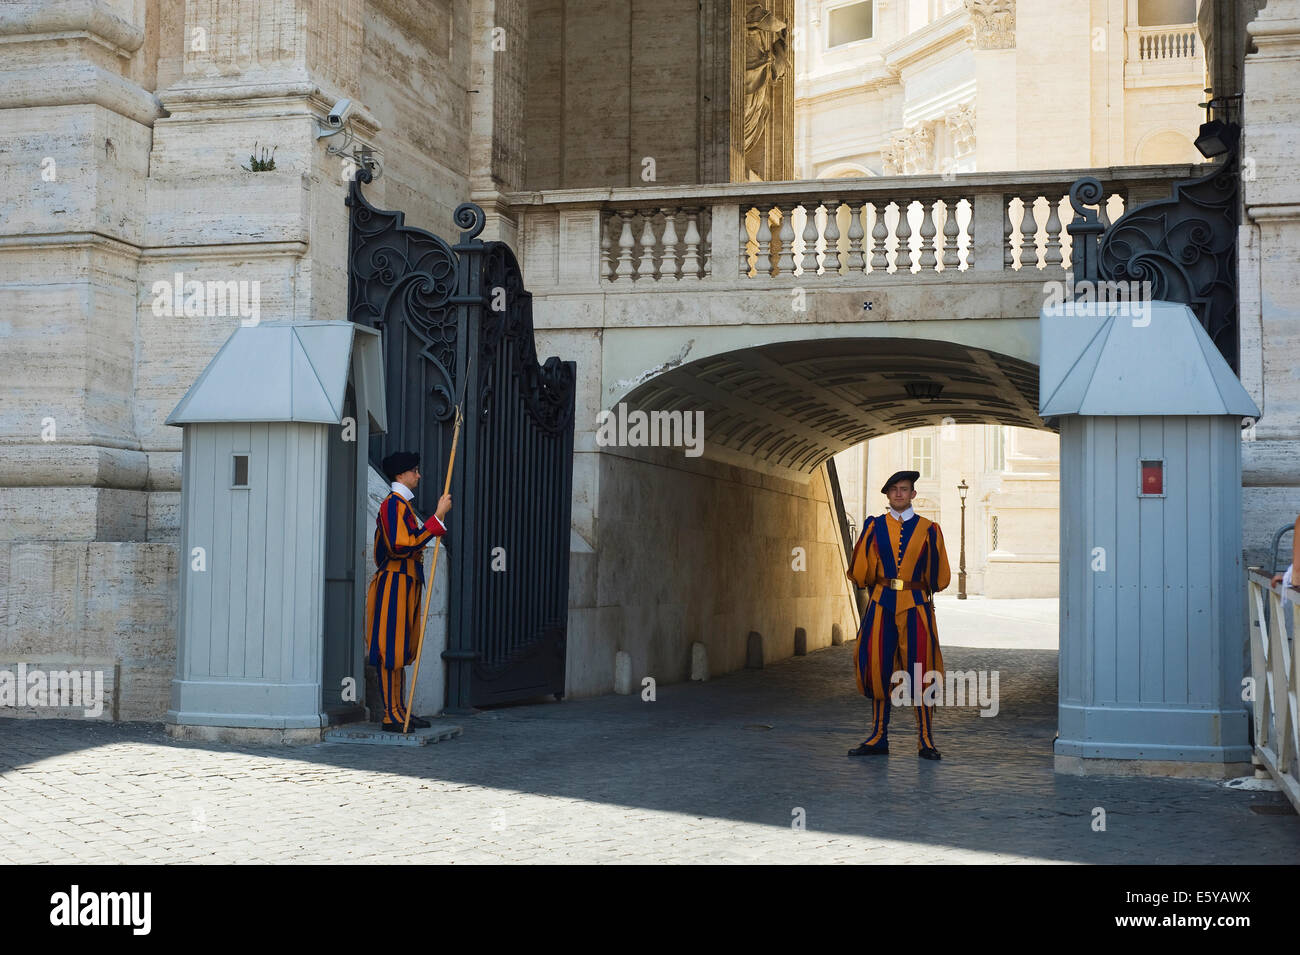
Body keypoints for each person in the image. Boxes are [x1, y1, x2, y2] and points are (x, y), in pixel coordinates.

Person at [845, 470, 951, 760]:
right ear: (888, 495)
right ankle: (878, 736)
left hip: (916, 605)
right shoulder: (873, 527)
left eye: (904, 489)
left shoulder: (930, 529)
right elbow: (860, 572)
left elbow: (940, 577)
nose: (899, 494)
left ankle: (926, 740)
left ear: (913, 494)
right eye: (894, 490)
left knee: (922, 667)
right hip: (881, 603)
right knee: (878, 667)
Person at [365, 450, 452, 732]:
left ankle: (400, 710)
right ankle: (391, 714)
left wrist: (432, 526)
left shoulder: (402, 506)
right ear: (401, 474)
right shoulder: (392, 505)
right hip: (394, 583)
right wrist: (436, 519)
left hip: (406, 582)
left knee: (401, 650)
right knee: (390, 649)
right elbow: (401, 545)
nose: (418, 475)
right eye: (414, 470)